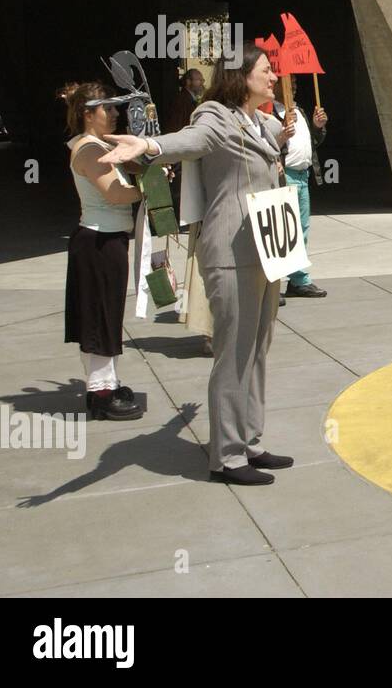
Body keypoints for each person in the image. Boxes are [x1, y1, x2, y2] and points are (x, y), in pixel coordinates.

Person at [98, 43, 299, 485]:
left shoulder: (260, 120)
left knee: (258, 348)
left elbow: (271, 148)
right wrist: (148, 144)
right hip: (231, 251)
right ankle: (226, 458)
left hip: (267, 249)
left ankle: (250, 440)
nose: (272, 76)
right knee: (233, 352)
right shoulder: (217, 115)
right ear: (240, 75)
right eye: (265, 70)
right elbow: (190, 141)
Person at [61, 82, 145, 420]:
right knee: (98, 316)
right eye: (107, 109)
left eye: (114, 107)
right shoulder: (89, 149)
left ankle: (106, 382)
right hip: (97, 241)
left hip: (107, 240)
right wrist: (149, 187)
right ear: (87, 114)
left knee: (106, 314)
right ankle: (100, 393)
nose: (114, 114)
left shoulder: (98, 143)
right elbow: (115, 193)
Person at [273, 85, 329, 298]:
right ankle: (273, 283)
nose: (293, 88)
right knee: (281, 231)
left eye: (295, 84)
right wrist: (282, 130)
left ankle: (298, 279)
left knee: (301, 230)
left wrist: (317, 127)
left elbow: (312, 142)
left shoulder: (300, 111)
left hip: (302, 175)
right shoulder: (269, 112)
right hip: (284, 175)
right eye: (288, 83)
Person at [164, 68, 205, 134]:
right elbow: (175, 127)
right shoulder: (181, 100)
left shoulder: (188, 99)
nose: (202, 83)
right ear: (188, 81)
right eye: (199, 80)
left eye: (202, 80)